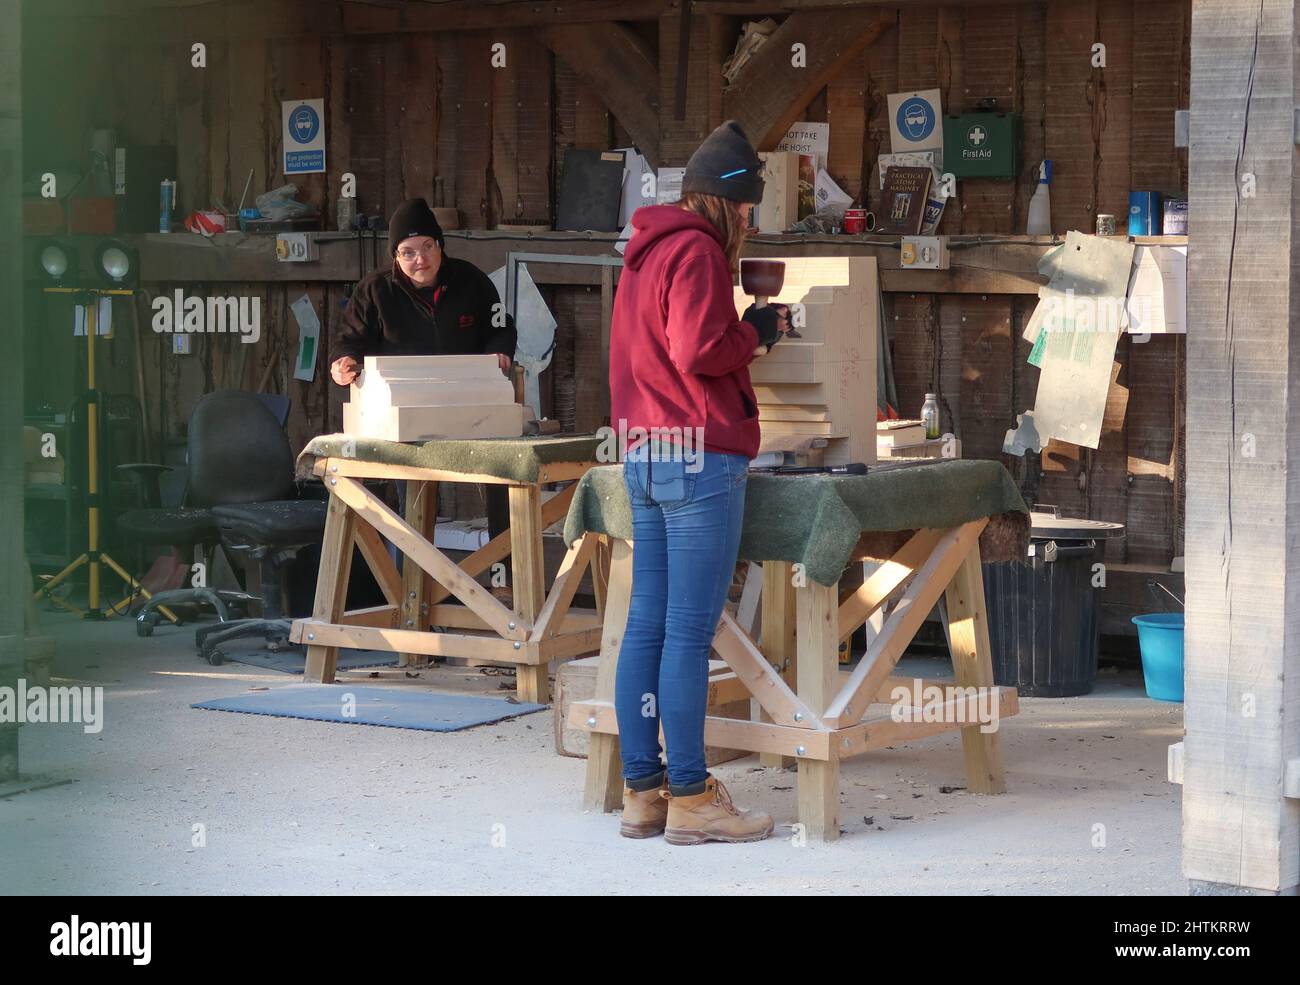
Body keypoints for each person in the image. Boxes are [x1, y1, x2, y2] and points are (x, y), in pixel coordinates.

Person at [608, 120, 789, 845]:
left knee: (644, 628)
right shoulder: (700, 252)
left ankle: (643, 791)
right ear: (724, 202)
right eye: (747, 209)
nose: (748, 221)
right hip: (698, 457)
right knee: (687, 632)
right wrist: (757, 333)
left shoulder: (644, 251)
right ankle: (691, 795)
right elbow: (698, 349)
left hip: (644, 450)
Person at [331, 198, 516, 538]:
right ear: (395, 257)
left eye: (428, 247)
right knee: (411, 500)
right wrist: (342, 364)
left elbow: (501, 325)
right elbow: (349, 341)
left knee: (504, 476)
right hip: (405, 414)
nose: (421, 259)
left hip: (471, 406)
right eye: (409, 252)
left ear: (440, 246)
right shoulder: (374, 291)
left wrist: (500, 350)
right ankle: (412, 587)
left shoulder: (470, 280)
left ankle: (503, 578)